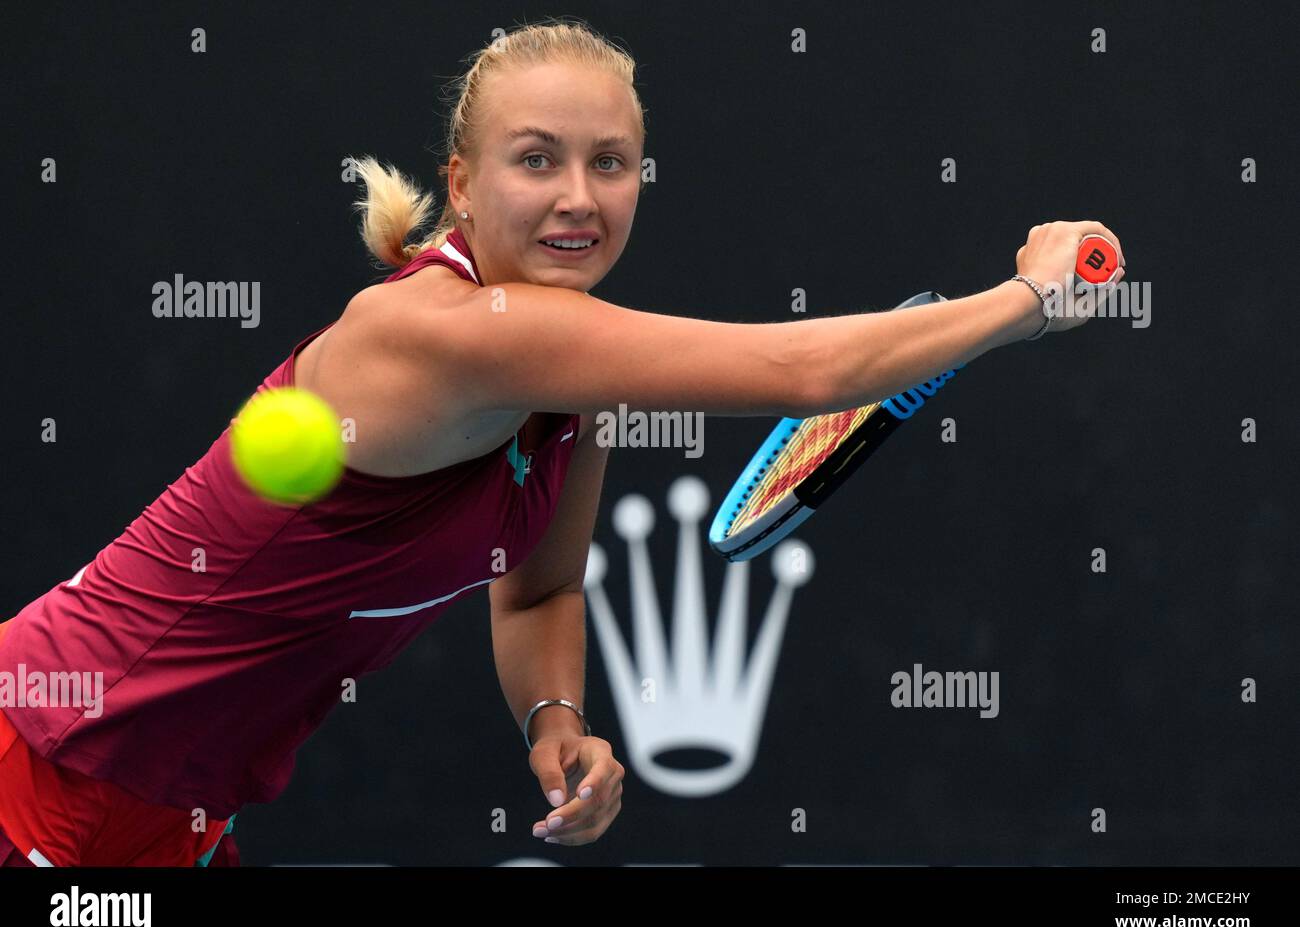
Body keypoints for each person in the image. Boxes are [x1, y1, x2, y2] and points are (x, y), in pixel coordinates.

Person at [0, 17, 1123, 866]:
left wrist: (556, 718)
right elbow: (808, 372)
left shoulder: (571, 369)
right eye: (535, 159)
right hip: (46, 766)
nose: (578, 198)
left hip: (171, 809)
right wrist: (1026, 297)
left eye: (611, 162)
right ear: (462, 186)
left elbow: (536, 591)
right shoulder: (441, 334)